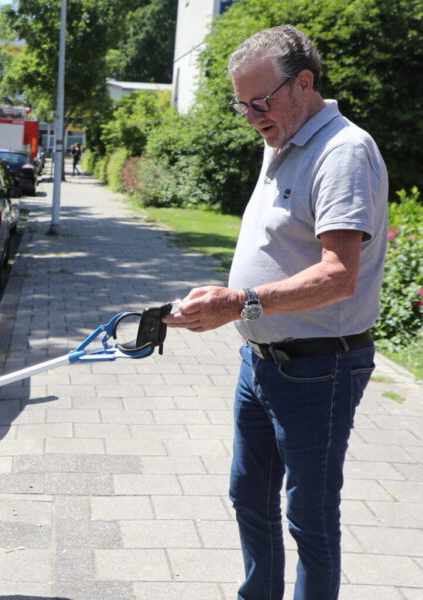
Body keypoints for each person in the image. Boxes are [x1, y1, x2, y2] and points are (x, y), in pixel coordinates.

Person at [162, 25, 387, 600]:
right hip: (259, 360)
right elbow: (278, 249)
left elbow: (339, 273)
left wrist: (241, 301)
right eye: (241, 104)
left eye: (259, 101)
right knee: (248, 497)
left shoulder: (342, 151)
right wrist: (225, 295)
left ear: (304, 83)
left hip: (319, 368)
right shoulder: (280, 142)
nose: (250, 115)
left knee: (309, 518)